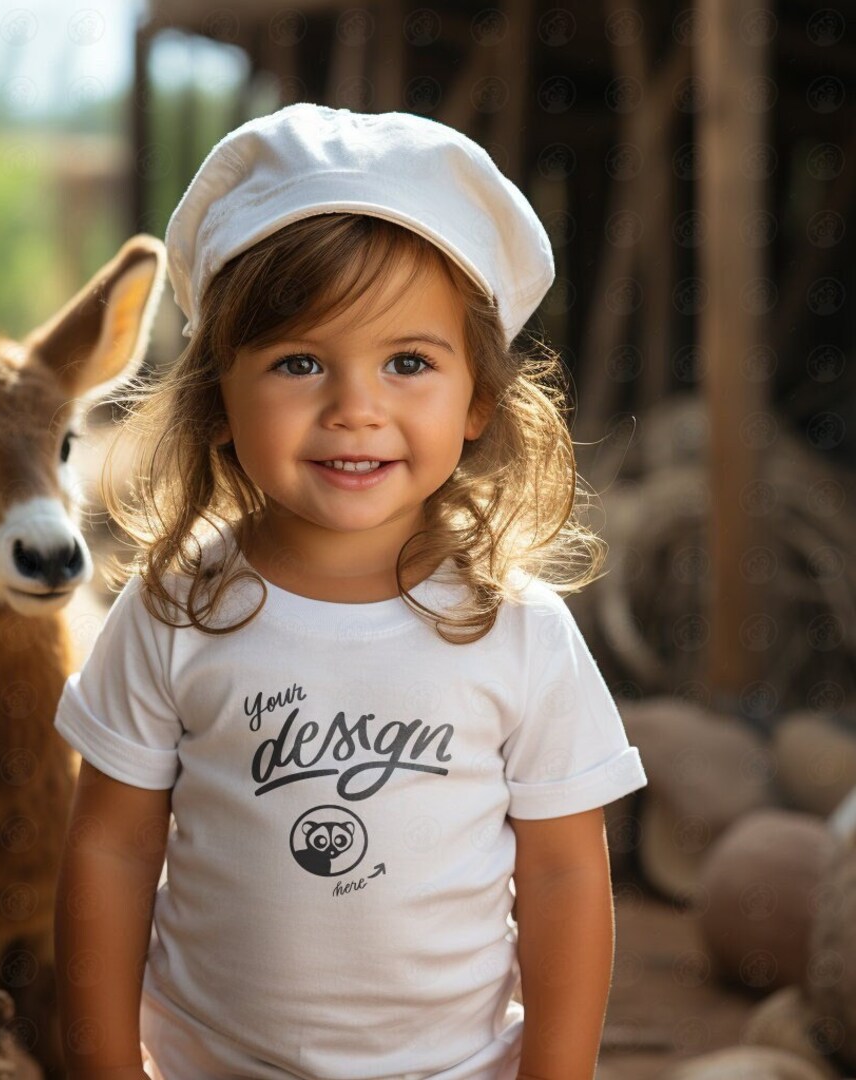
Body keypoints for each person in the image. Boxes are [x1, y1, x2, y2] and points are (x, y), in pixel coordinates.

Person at [53, 103, 648, 1080]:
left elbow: (563, 873)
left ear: (479, 402)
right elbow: (112, 851)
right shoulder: (173, 610)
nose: (355, 408)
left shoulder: (520, 630)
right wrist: (105, 1064)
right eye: (299, 362)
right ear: (217, 401)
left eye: (408, 362)